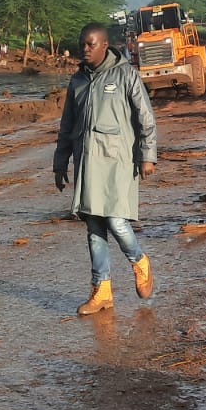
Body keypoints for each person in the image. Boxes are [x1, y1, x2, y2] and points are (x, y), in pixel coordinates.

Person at [53, 21, 158, 315]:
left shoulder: (126, 75)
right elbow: (67, 126)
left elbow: (145, 118)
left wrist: (147, 156)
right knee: (93, 226)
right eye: (82, 44)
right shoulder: (77, 81)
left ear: (104, 45)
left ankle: (140, 262)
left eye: (90, 44)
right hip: (87, 162)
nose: (84, 49)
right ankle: (102, 291)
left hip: (118, 160)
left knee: (116, 221)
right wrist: (60, 163)